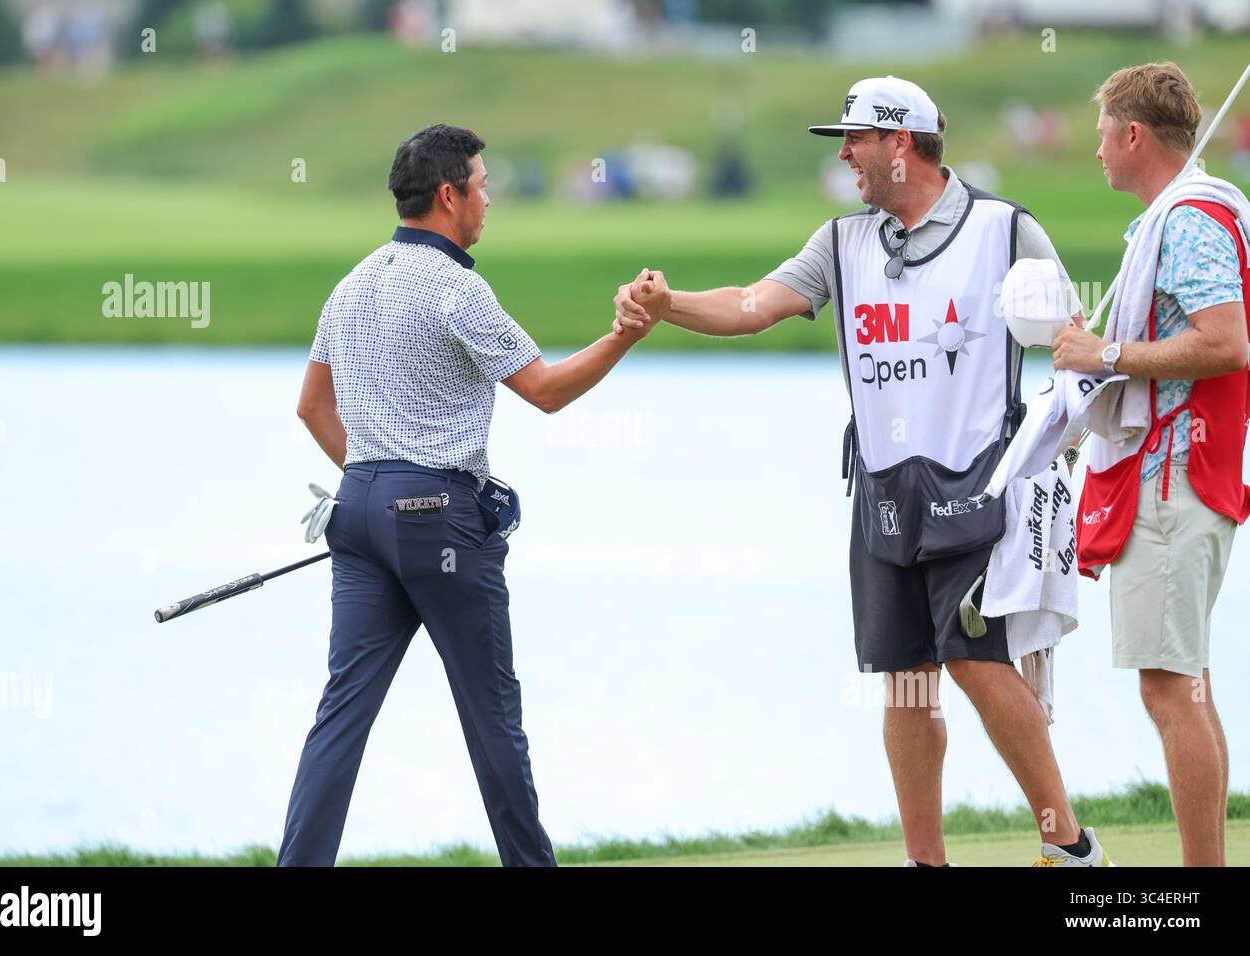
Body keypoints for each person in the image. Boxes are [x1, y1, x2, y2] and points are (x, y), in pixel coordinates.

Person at [615, 76, 1113, 867]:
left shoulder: (1005, 230)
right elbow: (754, 304)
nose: (844, 154)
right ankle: (926, 861)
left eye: (854, 139)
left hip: (979, 488)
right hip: (885, 494)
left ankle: (1071, 845)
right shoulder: (842, 242)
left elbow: (1075, 345)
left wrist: (1068, 425)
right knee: (907, 680)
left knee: (976, 663)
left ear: (900, 143)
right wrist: (669, 303)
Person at [279, 123, 665, 866]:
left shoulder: (351, 281)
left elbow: (311, 408)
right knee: (494, 719)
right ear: (449, 195)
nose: (489, 201)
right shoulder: (460, 289)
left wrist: (375, 479)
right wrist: (625, 335)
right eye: (483, 187)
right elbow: (546, 392)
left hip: (355, 512)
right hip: (440, 527)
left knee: (340, 717)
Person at [1052, 62, 1249, 866]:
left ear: (1134, 135)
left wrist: (1106, 352)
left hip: (1172, 477)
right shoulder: (1181, 214)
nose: (1097, 150)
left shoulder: (1192, 219)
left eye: (1103, 134)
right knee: (1184, 684)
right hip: (1179, 476)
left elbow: (1226, 341)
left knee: (1170, 688)